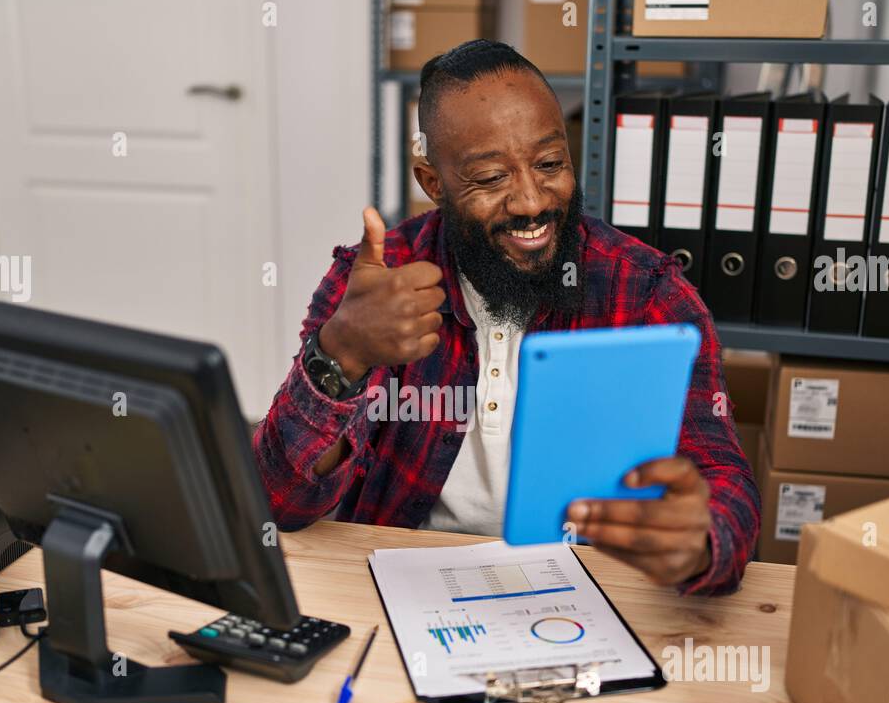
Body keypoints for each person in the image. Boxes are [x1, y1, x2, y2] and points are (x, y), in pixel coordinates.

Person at [253, 40, 759, 595]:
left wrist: (702, 540)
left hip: (589, 590)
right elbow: (279, 502)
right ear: (434, 185)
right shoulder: (377, 282)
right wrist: (340, 353)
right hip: (399, 581)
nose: (530, 202)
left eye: (549, 165)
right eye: (492, 177)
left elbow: (725, 478)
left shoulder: (646, 294)